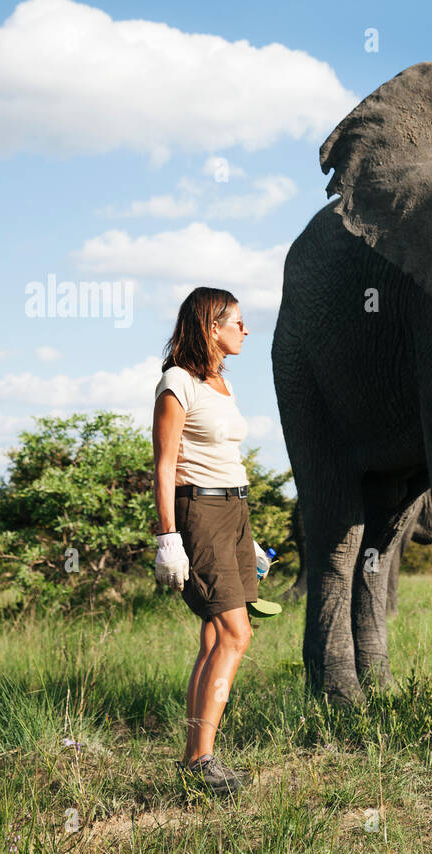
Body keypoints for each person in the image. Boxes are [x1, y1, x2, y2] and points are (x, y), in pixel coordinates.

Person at [151, 287, 258, 795]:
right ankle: (200, 761)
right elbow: (165, 464)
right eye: (237, 321)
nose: (245, 330)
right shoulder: (177, 383)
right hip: (199, 509)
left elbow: (227, 457)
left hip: (233, 508)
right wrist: (168, 536)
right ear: (211, 326)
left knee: (215, 637)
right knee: (236, 634)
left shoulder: (221, 383)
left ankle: (194, 758)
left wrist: (247, 538)